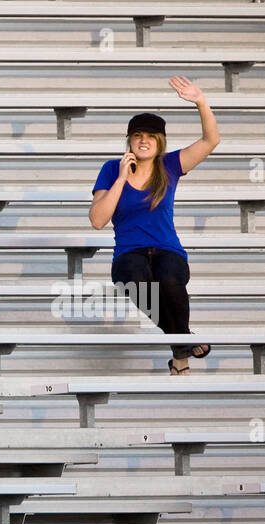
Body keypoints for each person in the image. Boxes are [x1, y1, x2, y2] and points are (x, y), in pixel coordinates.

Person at [89, 76, 221, 374]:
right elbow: (98, 220)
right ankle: (184, 343)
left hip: (167, 250)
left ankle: (180, 354)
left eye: (150, 135)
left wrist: (201, 101)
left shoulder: (170, 165)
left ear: (159, 140)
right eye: (137, 135)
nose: (144, 140)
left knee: (170, 281)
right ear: (130, 141)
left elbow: (211, 141)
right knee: (137, 281)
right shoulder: (112, 169)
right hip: (129, 254)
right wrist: (122, 178)